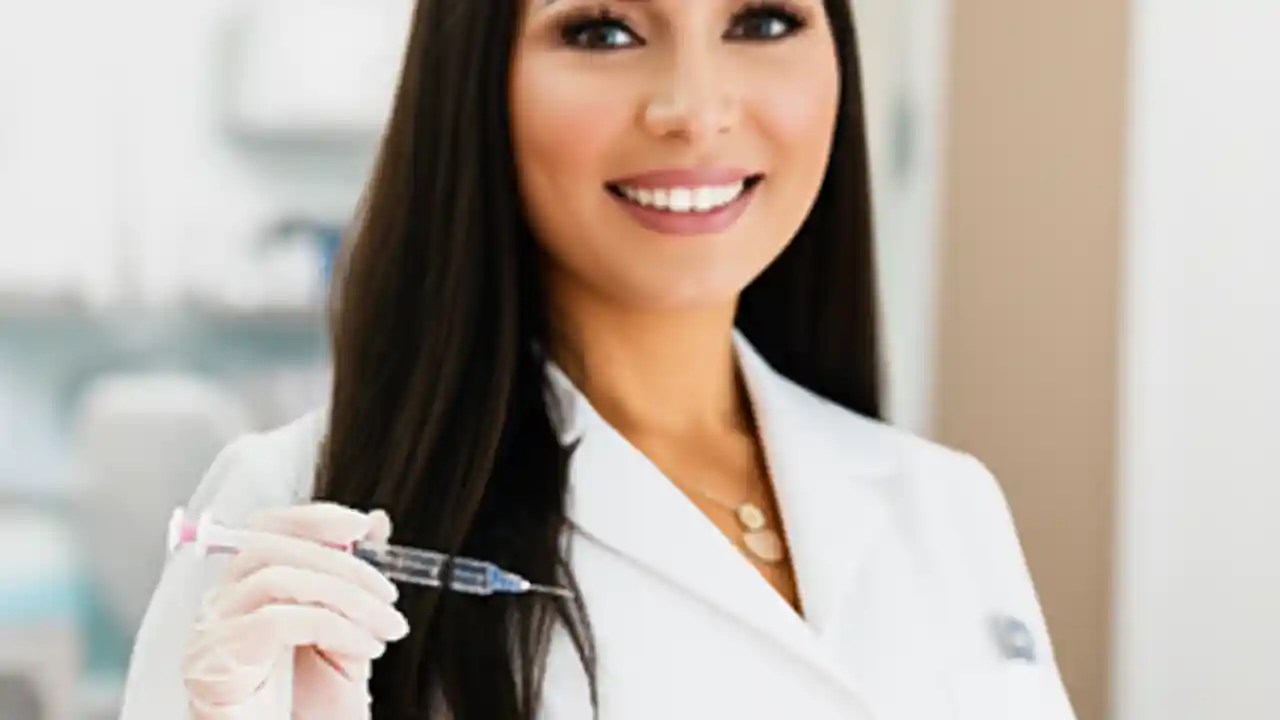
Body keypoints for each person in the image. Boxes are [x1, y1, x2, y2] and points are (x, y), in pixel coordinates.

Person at [121, 0, 1078, 718]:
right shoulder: (294, 513)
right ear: (477, 79)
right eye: (603, 31)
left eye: (763, 18)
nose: (695, 109)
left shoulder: (946, 505)